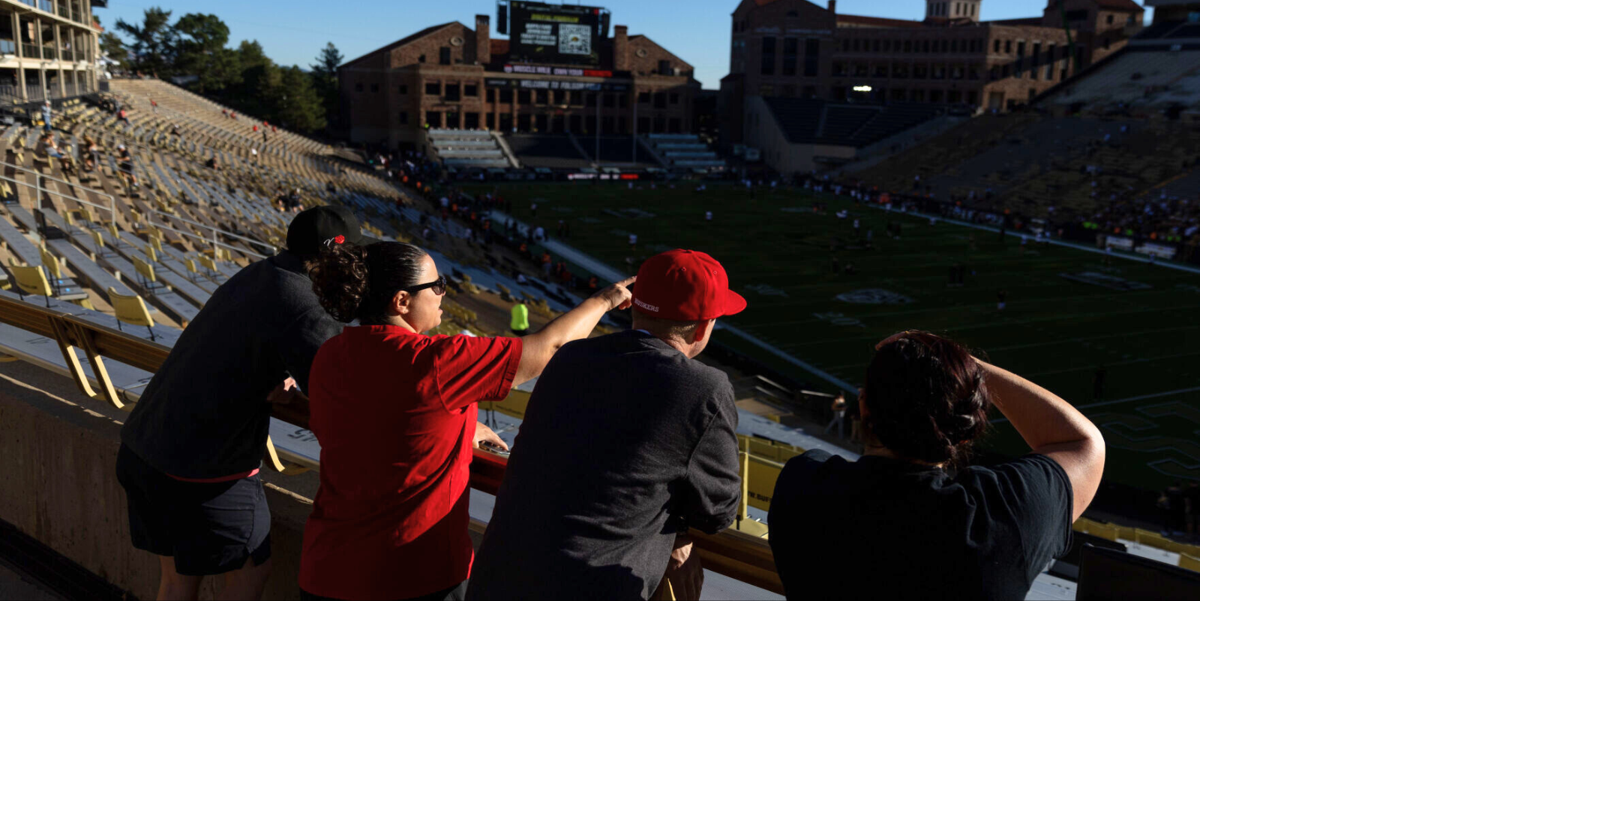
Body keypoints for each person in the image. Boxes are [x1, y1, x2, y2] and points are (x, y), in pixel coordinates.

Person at [296, 243, 635, 601]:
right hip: (411, 575)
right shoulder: (441, 360)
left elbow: (380, 422)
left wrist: (459, 424)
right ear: (401, 301)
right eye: (437, 285)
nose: (445, 291)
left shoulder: (331, 354)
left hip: (326, 570)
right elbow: (550, 347)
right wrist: (606, 299)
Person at [116, 206, 369, 601]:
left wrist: (277, 371)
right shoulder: (305, 305)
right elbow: (347, 396)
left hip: (145, 448)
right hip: (199, 470)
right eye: (353, 254)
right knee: (252, 570)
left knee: (178, 581)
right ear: (332, 255)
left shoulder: (259, 273)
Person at [467, 249, 748, 601]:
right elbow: (718, 512)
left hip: (496, 577)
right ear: (704, 326)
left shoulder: (572, 356)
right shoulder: (704, 387)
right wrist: (676, 529)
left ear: (635, 307)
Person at [768, 331, 1106, 600]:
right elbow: (1082, 442)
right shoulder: (1000, 515)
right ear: (964, 430)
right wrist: (968, 367)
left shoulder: (802, 484)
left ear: (864, 407)